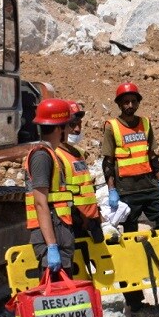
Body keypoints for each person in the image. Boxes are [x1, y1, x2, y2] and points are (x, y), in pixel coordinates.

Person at [24, 97, 82, 317]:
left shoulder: (52, 154)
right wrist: (51, 246)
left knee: (64, 303)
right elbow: (40, 201)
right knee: (51, 307)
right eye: (68, 125)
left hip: (60, 233)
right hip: (52, 236)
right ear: (60, 127)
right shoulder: (42, 156)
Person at [103, 82, 159, 317]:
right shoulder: (112, 127)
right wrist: (112, 190)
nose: (130, 105)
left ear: (138, 102)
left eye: (133, 101)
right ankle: (135, 300)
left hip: (149, 187)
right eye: (125, 102)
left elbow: (152, 157)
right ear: (119, 104)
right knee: (129, 240)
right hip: (127, 191)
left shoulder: (146, 124)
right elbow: (108, 162)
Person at [61, 101, 104, 244]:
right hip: (73, 220)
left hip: (88, 219)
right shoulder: (56, 156)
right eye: (72, 124)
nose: (78, 129)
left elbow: (84, 187)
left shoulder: (78, 153)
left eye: (79, 124)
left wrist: (94, 214)